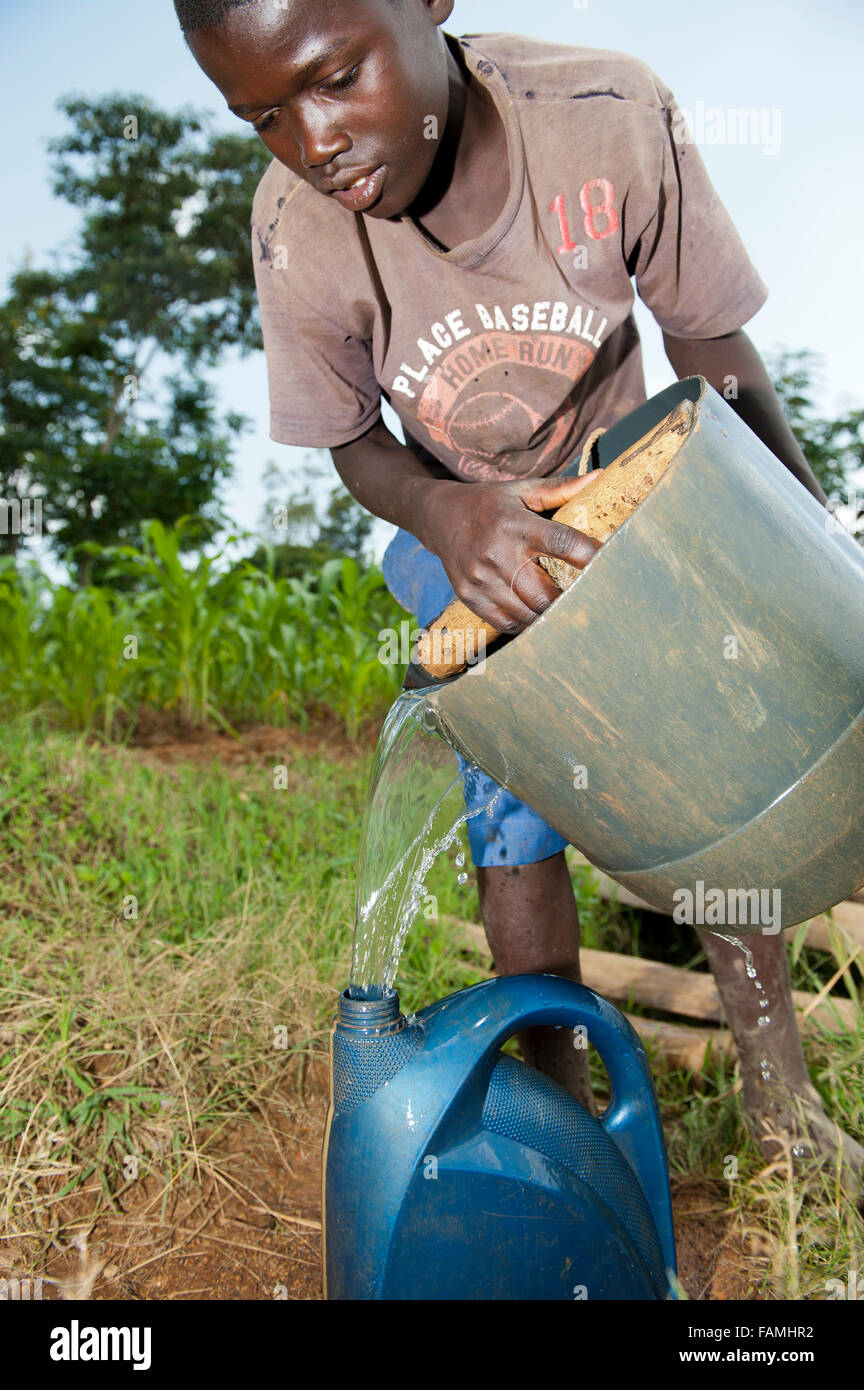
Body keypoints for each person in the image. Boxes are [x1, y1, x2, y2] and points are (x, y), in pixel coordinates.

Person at [174, 0, 862, 1185]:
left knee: (703, 771)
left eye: (335, 76)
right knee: (515, 832)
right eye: (263, 117)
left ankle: (783, 1113)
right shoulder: (299, 230)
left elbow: (710, 350)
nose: (313, 140)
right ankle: (569, 1136)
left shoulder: (602, 119)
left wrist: (816, 549)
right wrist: (449, 512)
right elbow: (352, 442)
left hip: (626, 495)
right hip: (459, 528)